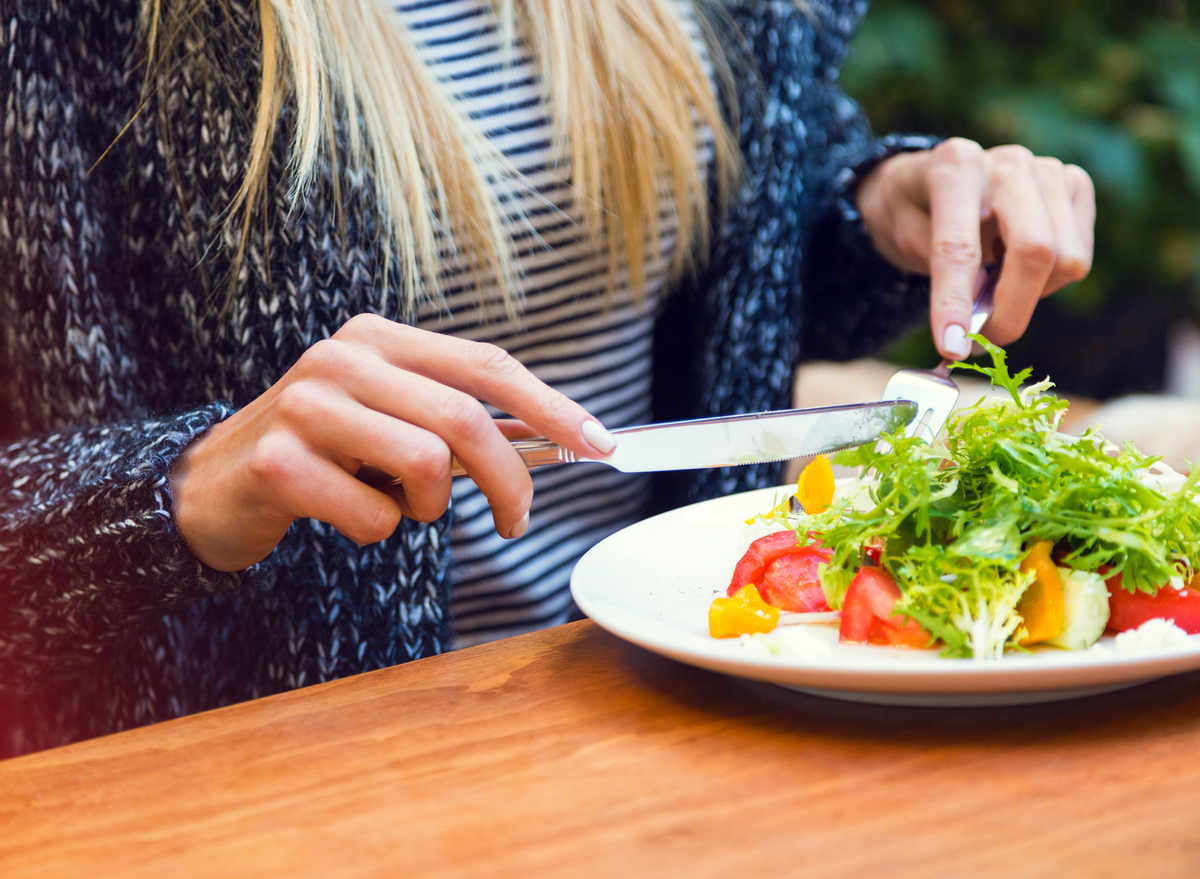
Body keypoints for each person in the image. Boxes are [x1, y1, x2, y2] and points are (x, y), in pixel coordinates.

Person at [0, 0, 1094, 757]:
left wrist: (878, 206)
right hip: (298, 785)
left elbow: (730, 278)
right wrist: (173, 492)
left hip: (700, 721)